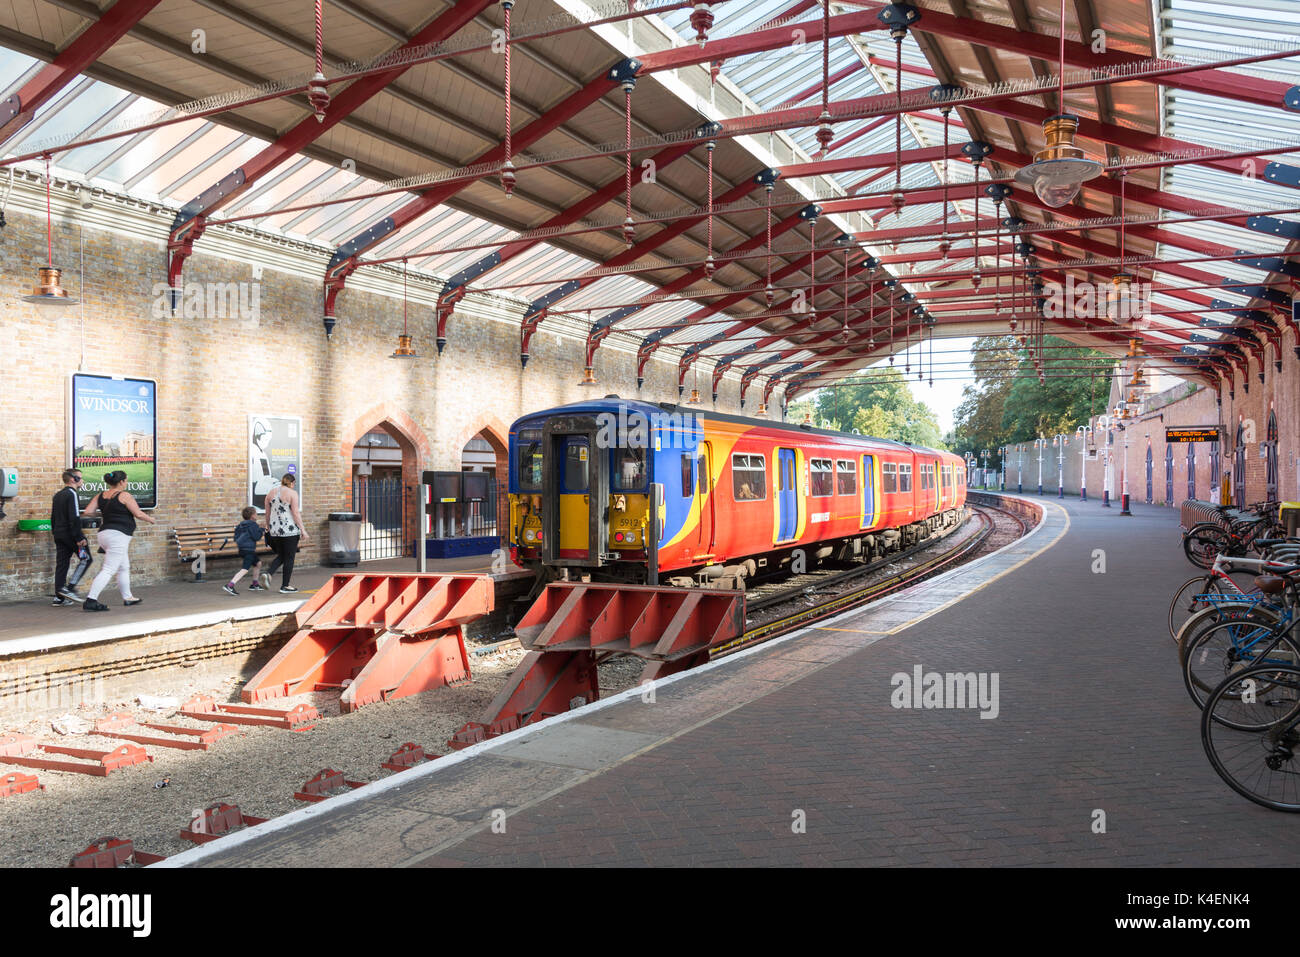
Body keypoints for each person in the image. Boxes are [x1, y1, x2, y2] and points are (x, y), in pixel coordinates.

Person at [81, 469, 156, 612]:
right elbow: (138, 513)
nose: (126, 483)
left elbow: (87, 512)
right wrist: (151, 519)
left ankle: (128, 597)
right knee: (109, 569)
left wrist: (105, 511)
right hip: (118, 536)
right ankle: (91, 599)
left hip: (104, 534)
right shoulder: (125, 495)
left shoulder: (100, 495)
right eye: (126, 480)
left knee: (123, 567)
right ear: (121, 482)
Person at [51, 468, 92, 606]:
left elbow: (53, 517)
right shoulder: (72, 494)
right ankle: (68, 589)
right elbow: (74, 517)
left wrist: (55, 533)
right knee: (86, 559)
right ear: (73, 479)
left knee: (62, 564)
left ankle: (59, 597)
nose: (82, 480)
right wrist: (79, 537)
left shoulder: (57, 495)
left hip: (59, 534)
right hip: (70, 535)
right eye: (80, 478)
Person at [264, 472, 309, 593]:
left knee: (282, 555)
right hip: (289, 530)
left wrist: (268, 527)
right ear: (292, 483)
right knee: (289, 557)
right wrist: (303, 530)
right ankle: (285, 586)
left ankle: (269, 573)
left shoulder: (270, 493)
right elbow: (295, 513)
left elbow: (267, 513)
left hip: (275, 530)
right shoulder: (292, 493)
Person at [223, 506, 269, 596]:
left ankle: (254, 584)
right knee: (245, 569)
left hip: (242, 549)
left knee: (258, 563)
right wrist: (262, 529)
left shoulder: (241, 525)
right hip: (249, 550)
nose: (257, 515)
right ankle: (230, 585)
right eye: (256, 513)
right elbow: (256, 537)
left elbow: (236, 537)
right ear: (252, 516)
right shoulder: (253, 524)